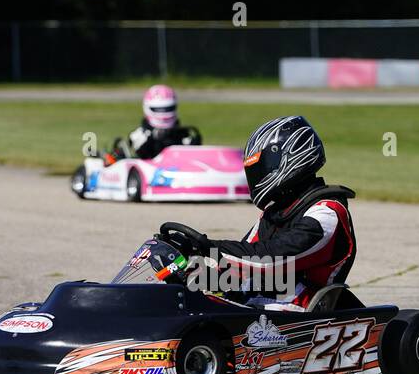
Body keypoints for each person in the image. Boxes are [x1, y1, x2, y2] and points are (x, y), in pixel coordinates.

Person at [163, 115, 356, 310]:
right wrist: (191, 274)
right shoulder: (277, 211)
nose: (256, 177)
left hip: (302, 313)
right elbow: (240, 262)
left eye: (259, 169)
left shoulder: (327, 213)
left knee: (203, 313)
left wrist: (207, 247)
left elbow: (270, 258)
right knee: (181, 294)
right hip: (262, 302)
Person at [110, 84, 201, 162]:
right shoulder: (139, 135)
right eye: (158, 109)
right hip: (147, 172)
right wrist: (154, 138)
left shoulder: (183, 135)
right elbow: (138, 152)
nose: (163, 114)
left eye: (167, 109)